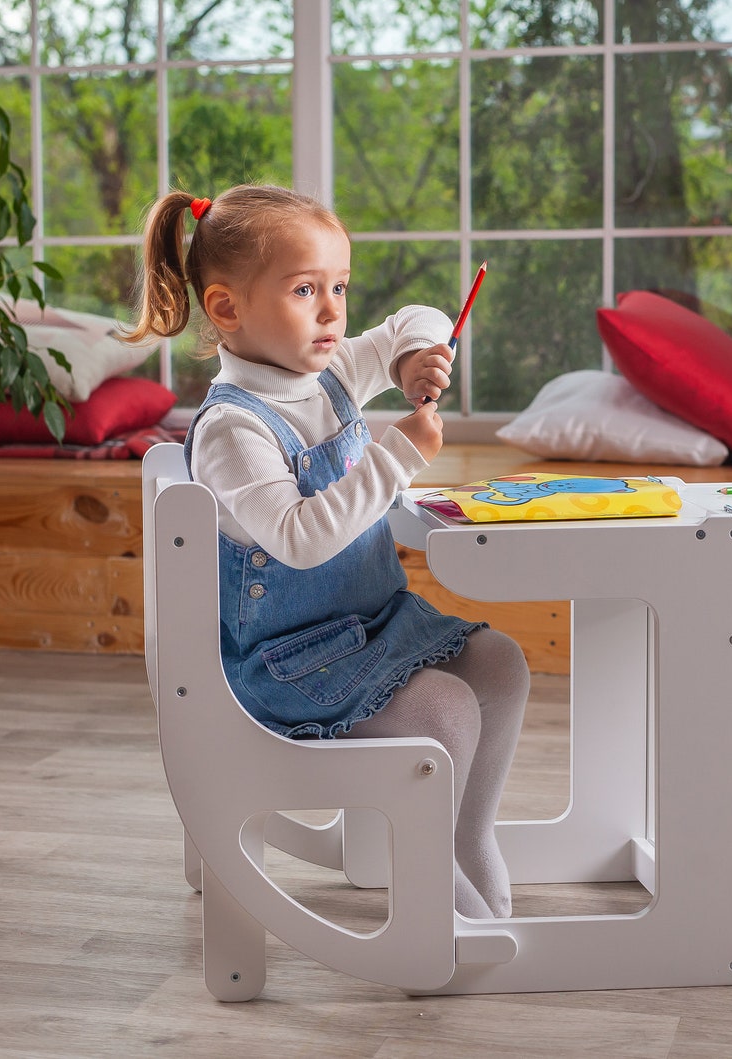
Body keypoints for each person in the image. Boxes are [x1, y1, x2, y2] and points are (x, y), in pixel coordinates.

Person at [124, 184, 527, 920]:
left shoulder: (329, 369)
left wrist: (413, 358)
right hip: (291, 660)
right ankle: (429, 880)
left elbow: (415, 318)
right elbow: (300, 539)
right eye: (306, 289)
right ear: (226, 309)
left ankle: (466, 839)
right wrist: (396, 452)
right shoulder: (231, 431)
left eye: (339, 286)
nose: (334, 311)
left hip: (374, 627)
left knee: (501, 664)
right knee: (444, 712)